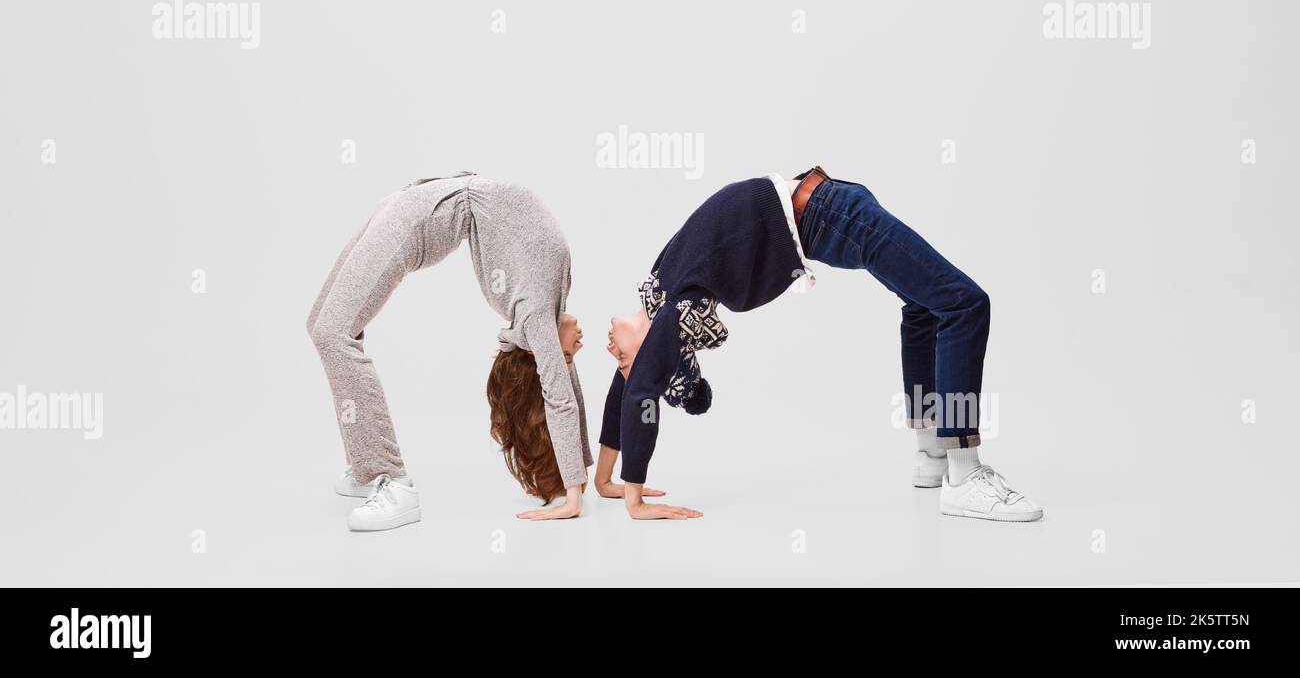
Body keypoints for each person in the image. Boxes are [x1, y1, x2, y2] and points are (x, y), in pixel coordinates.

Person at [601, 166, 1043, 522]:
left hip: (829, 205)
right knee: (965, 305)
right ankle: (963, 474)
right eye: (624, 360)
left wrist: (606, 479)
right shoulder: (680, 305)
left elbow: (629, 389)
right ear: (659, 351)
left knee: (922, 307)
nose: (611, 350)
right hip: (831, 214)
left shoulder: (660, 284)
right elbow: (641, 390)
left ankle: (931, 454)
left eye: (618, 360)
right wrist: (635, 500)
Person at [306, 172, 592, 531]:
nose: (578, 348)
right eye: (568, 358)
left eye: (564, 358)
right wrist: (587, 474)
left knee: (333, 333)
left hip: (422, 217)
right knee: (320, 325)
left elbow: (560, 397)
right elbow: (566, 391)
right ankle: (366, 466)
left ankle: (391, 480)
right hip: (417, 197)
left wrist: (574, 494)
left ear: (538, 355)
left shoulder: (535, 317)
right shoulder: (552, 300)